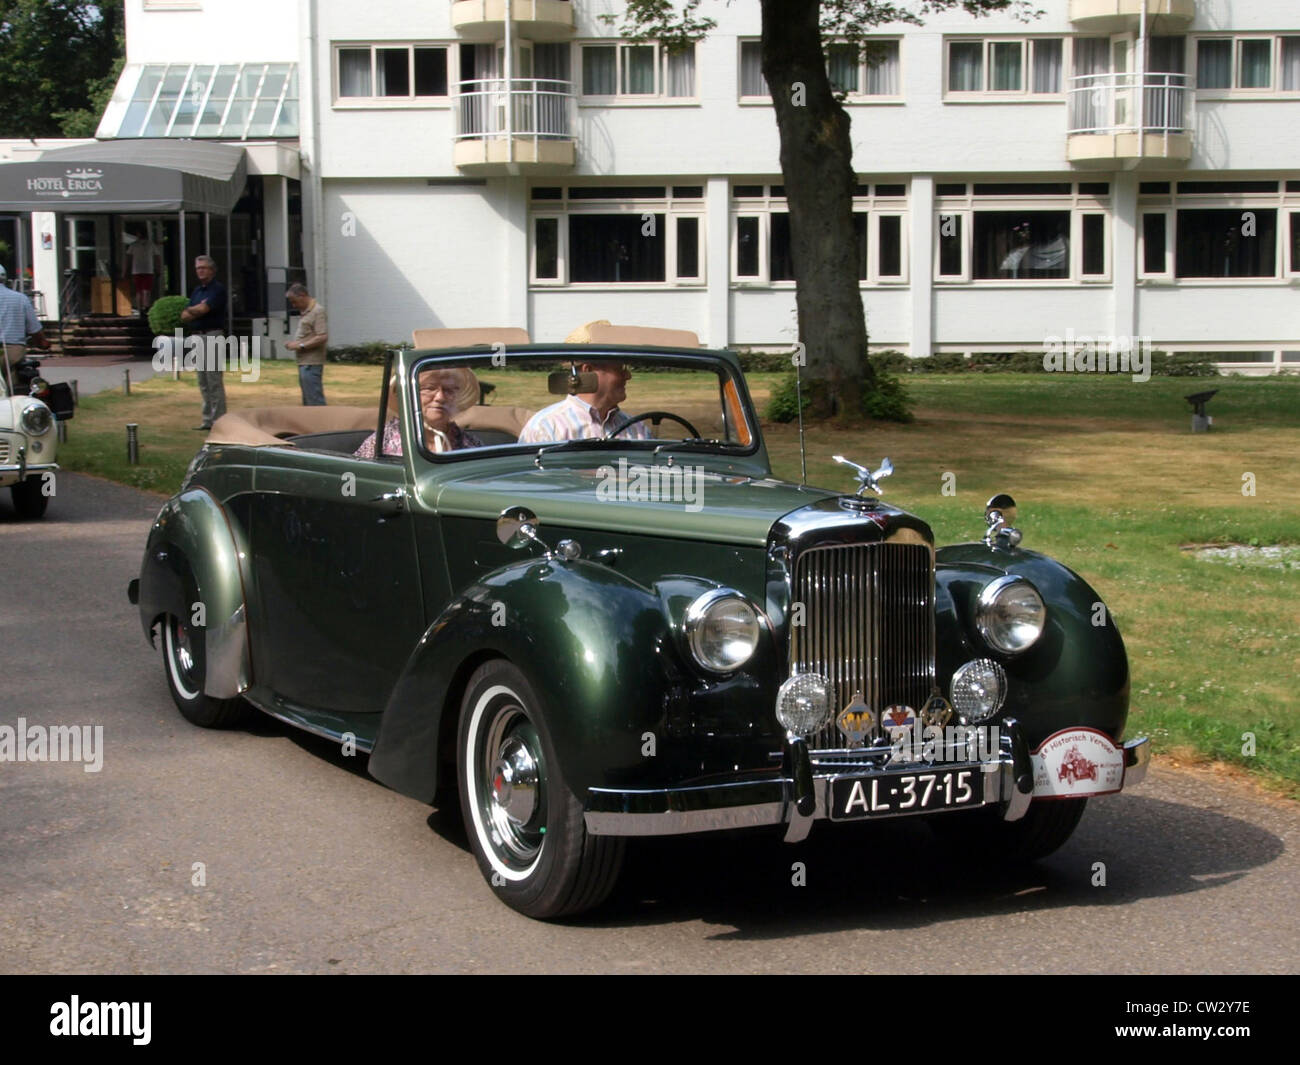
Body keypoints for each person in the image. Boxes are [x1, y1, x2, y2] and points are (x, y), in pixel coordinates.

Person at [354, 366, 483, 458]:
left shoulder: (471, 445)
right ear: (409, 394)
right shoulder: (383, 441)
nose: (440, 397)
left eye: (449, 390)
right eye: (430, 388)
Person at [517, 358, 651, 443]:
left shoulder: (637, 429)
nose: (628, 376)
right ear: (589, 370)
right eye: (620, 369)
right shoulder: (546, 428)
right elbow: (530, 483)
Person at [179, 255, 227, 430]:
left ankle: (220, 420)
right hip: (197, 336)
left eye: (204, 268)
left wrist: (194, 310)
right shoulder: (197, 291)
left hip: (212, 335)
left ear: (212, 270)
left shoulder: (218, 289)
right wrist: (195, 310)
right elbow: (185, 316)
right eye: (198, 268)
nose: (200, 270)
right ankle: (207, 420)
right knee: (202, 380)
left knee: (213, 380)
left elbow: (204, 309)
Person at [284, 282, 328, 406]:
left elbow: (322, 336)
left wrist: (300, 346)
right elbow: (309, 335)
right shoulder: (307, 311)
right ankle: (312, 424)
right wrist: (294, 343)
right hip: (304, 362)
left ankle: (323, 424)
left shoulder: (317, 311)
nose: (294, 305)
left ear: (302, 295)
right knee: (308, 401)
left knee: (314, 401)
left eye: (294, 301)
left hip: (311, 363)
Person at [0, 264, 50, 372]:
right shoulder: (20, 299)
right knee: (16, 382)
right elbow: (34, 328)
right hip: (13, 352)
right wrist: (42, 342)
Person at [122, 225, 160, 312]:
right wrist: (158, 269)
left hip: (136, 271)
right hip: (148, 270)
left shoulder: (133, 245)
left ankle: (140, 308)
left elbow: (128, 258)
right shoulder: (151, 245)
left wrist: (125, 271)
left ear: (138, 234)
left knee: (138, 290)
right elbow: (157, 257)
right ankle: (146, 307)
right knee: (147, 290)